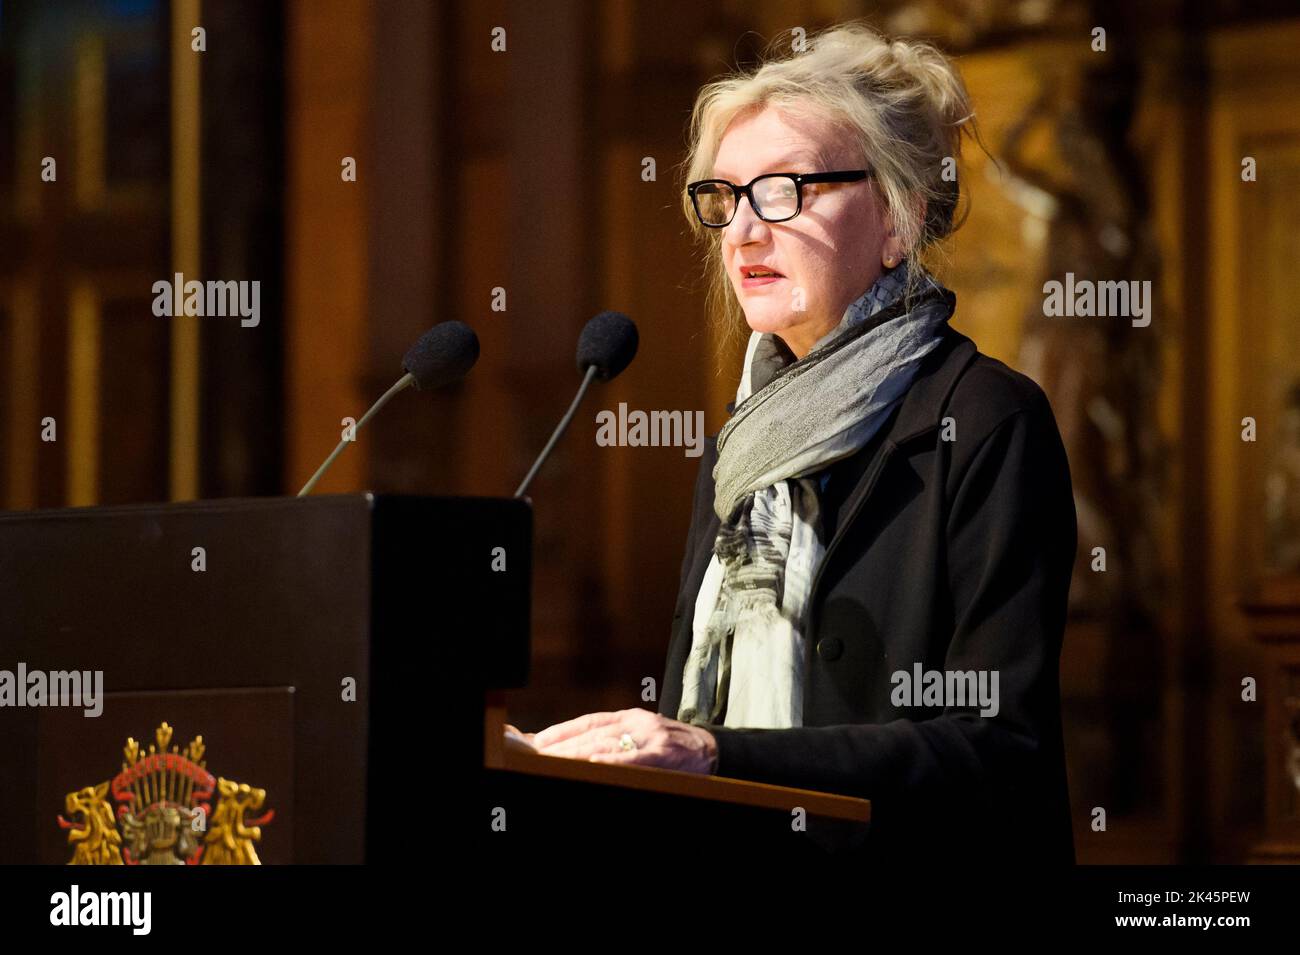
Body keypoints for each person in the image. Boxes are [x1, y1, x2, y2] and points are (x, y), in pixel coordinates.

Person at [515, 22, 1078, 862]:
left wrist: (716, 756)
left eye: (785, 190)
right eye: (726, 196)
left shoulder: (984, 420)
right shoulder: (739, 449)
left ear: (898, 215)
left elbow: (997, 747)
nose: (743, 230)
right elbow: (691, 723)